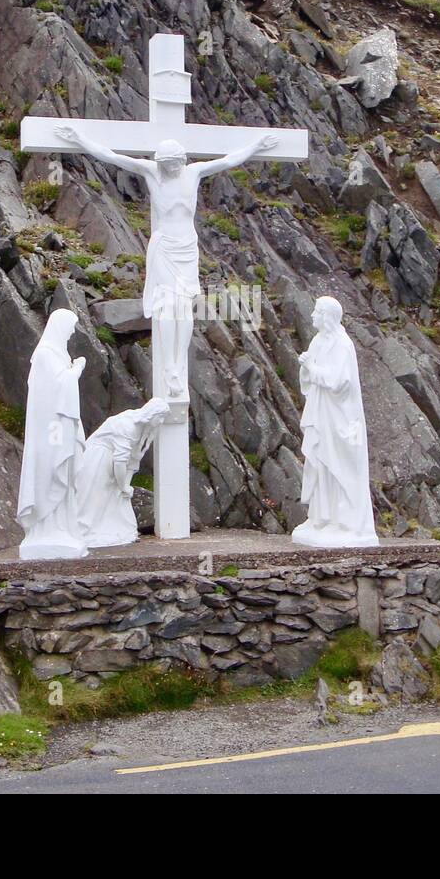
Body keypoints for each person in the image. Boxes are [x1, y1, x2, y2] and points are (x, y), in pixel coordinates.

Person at [55, 125, 276, 397]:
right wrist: (80, 138)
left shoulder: (193, 173)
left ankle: (177, 364)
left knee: (184, 308)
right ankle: (170, 367)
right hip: (164, 249)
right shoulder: (151, 172)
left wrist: (256, 146)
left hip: (186, 249)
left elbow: (228, 160)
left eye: (171, 164)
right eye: (164, 164)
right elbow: (110, 156)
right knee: (168, 306)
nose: (167, 169)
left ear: (180, 161)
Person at [292, 296, 378, 547]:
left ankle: (344, 521)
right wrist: (306, 368)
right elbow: (310, 379)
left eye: (317, 312)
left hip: (338, 417)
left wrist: (312, 368)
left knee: (338, 466)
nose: (312, 316)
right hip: (321, 412)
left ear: (328, 316)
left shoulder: (342, 344)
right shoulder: (318, 341)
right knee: (320, 464)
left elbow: (340, 382)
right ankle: (321, 517)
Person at [16, 309, 89, 559]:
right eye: (69, 327)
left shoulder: (58, 354)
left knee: (64, 475)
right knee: (50, 472)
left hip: (61, 426)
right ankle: (47, 527)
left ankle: (63, 527)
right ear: (59, 327)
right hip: (50, 430)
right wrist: (76, 371)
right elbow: (53, 390)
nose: (71, 333)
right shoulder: (45, 355)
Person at [75, 397, 170, 547]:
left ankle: (110, 528)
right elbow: (120, 461)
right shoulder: (128, 425)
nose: (160, 422)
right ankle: (84, 529)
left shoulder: (143, 429)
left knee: (115, 500)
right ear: (152, 414)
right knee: (94, 498)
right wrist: (122, 486)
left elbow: (133, 460)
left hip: (112, 462)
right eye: (160, 417)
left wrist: (125, 485)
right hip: (98, 459)